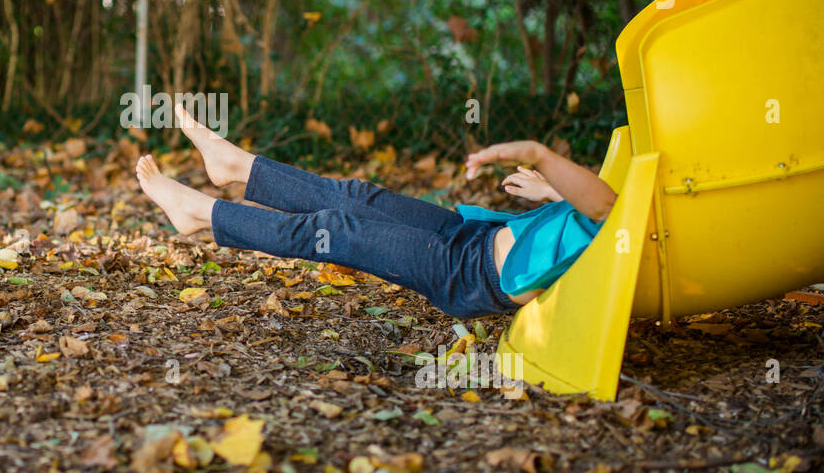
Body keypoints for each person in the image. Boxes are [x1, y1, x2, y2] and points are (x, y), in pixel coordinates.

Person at [136, 105, 617, 319]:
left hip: (469, 274)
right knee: (357, 196)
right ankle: (236, 165)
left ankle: (200, 212)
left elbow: (606, 208)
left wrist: (538, 154)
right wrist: (552, 196)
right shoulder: (622, 211)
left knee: (335, 230)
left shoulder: (627, 219)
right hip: (471, 235)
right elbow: (597, 212)